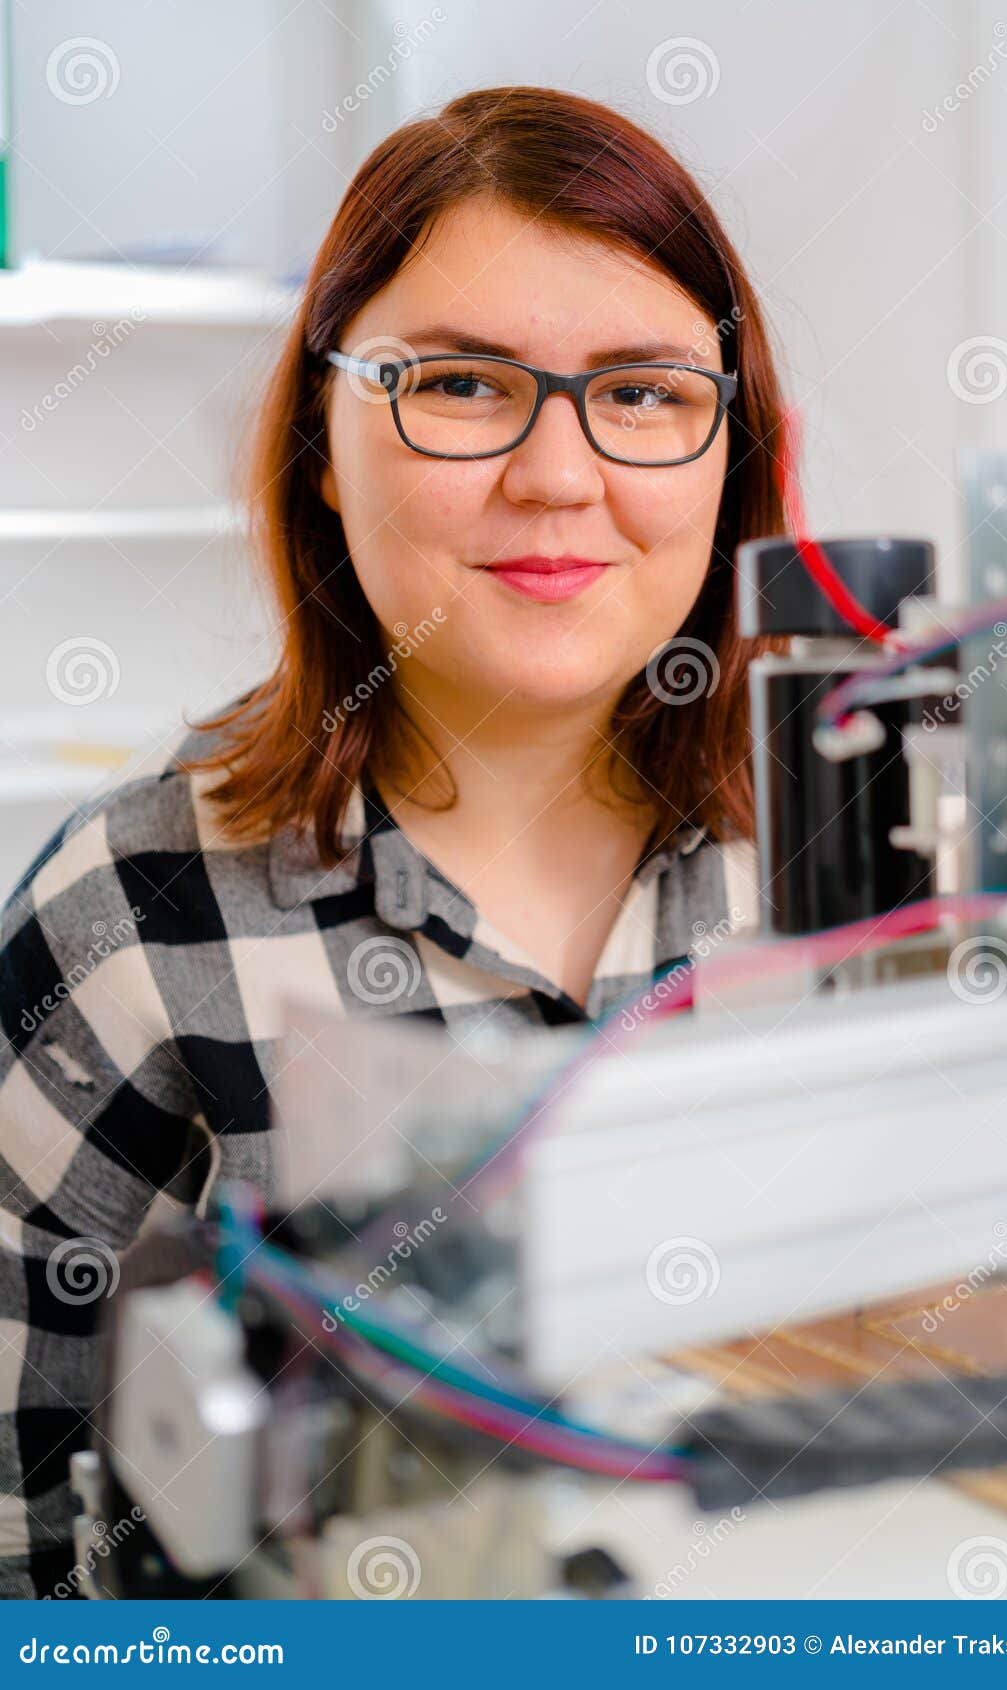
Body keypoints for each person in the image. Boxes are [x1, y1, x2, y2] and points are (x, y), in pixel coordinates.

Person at [0, 84, 786, 1598]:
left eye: (643, 392)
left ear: (725, 449)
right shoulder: (135, 918)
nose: (560, 477)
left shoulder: (855, 869)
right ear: (320, 439)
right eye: (464, 385)